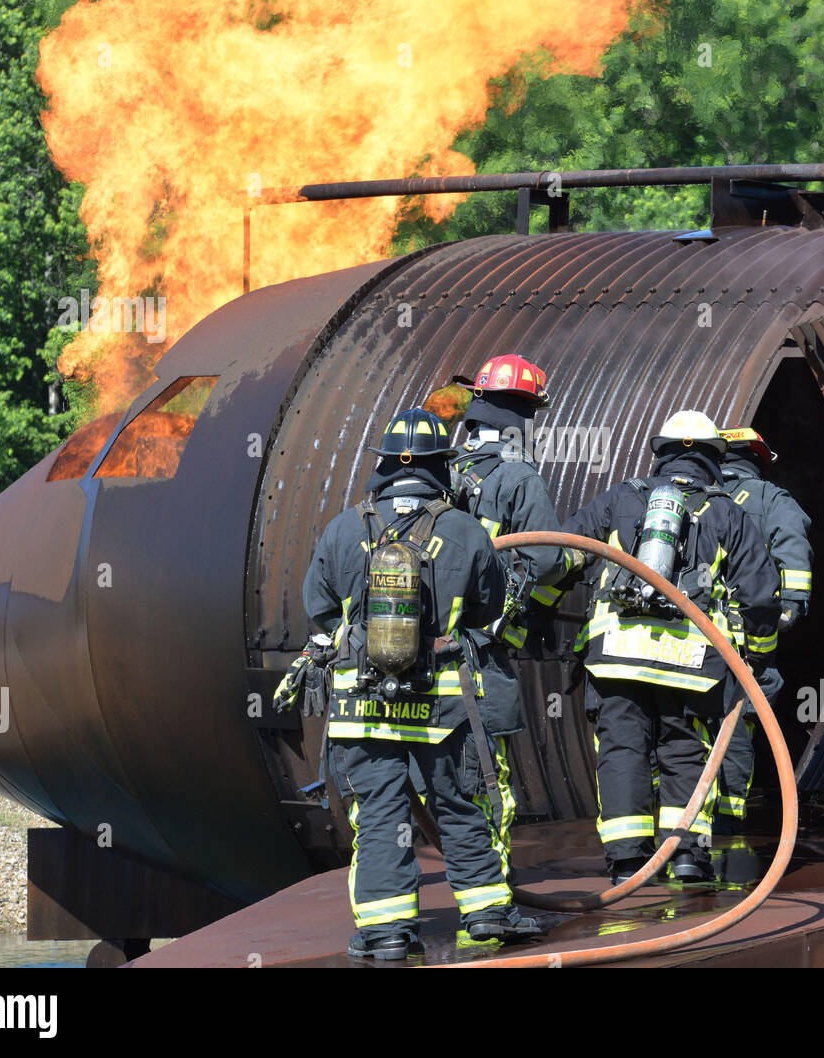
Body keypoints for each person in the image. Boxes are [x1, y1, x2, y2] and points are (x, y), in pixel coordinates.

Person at [286, 407, 543, 959]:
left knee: (378, 814)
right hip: (444, 709)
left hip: (363, 707)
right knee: (461, 804)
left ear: (382, 467)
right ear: (439, 467)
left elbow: (320, 611)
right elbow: (489, 610)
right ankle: (487, 916)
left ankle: (386, 932)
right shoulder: (464, 530)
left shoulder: (343, 528)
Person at [560, 410, 783, 884]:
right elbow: (760, 593)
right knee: (685, 749)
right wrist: (758, 652)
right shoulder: (728, 512)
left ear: (660, 454)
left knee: (623, 749)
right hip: (692, 662)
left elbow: (562, 553)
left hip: (618, 656)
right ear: (713, 458)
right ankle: (686, 857)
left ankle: (626, 863)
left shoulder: (621, 499)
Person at [424, 355, 583, 881]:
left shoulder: (441, 465)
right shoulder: (518, 477)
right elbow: (544, 558)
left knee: (435, 765)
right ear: (524, 413)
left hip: (422, 647)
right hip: (480, 652)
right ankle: (488, 889)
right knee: (485, 772)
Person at [706, 426, 813, 835]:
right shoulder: (770, 498)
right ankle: (728, 818)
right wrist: (790, 607)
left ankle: (678, 819)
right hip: (742, 634)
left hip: (688, 628)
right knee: (736, 715)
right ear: (759, 461)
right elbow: (793, 547)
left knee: (688, 718)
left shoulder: (696, 498)